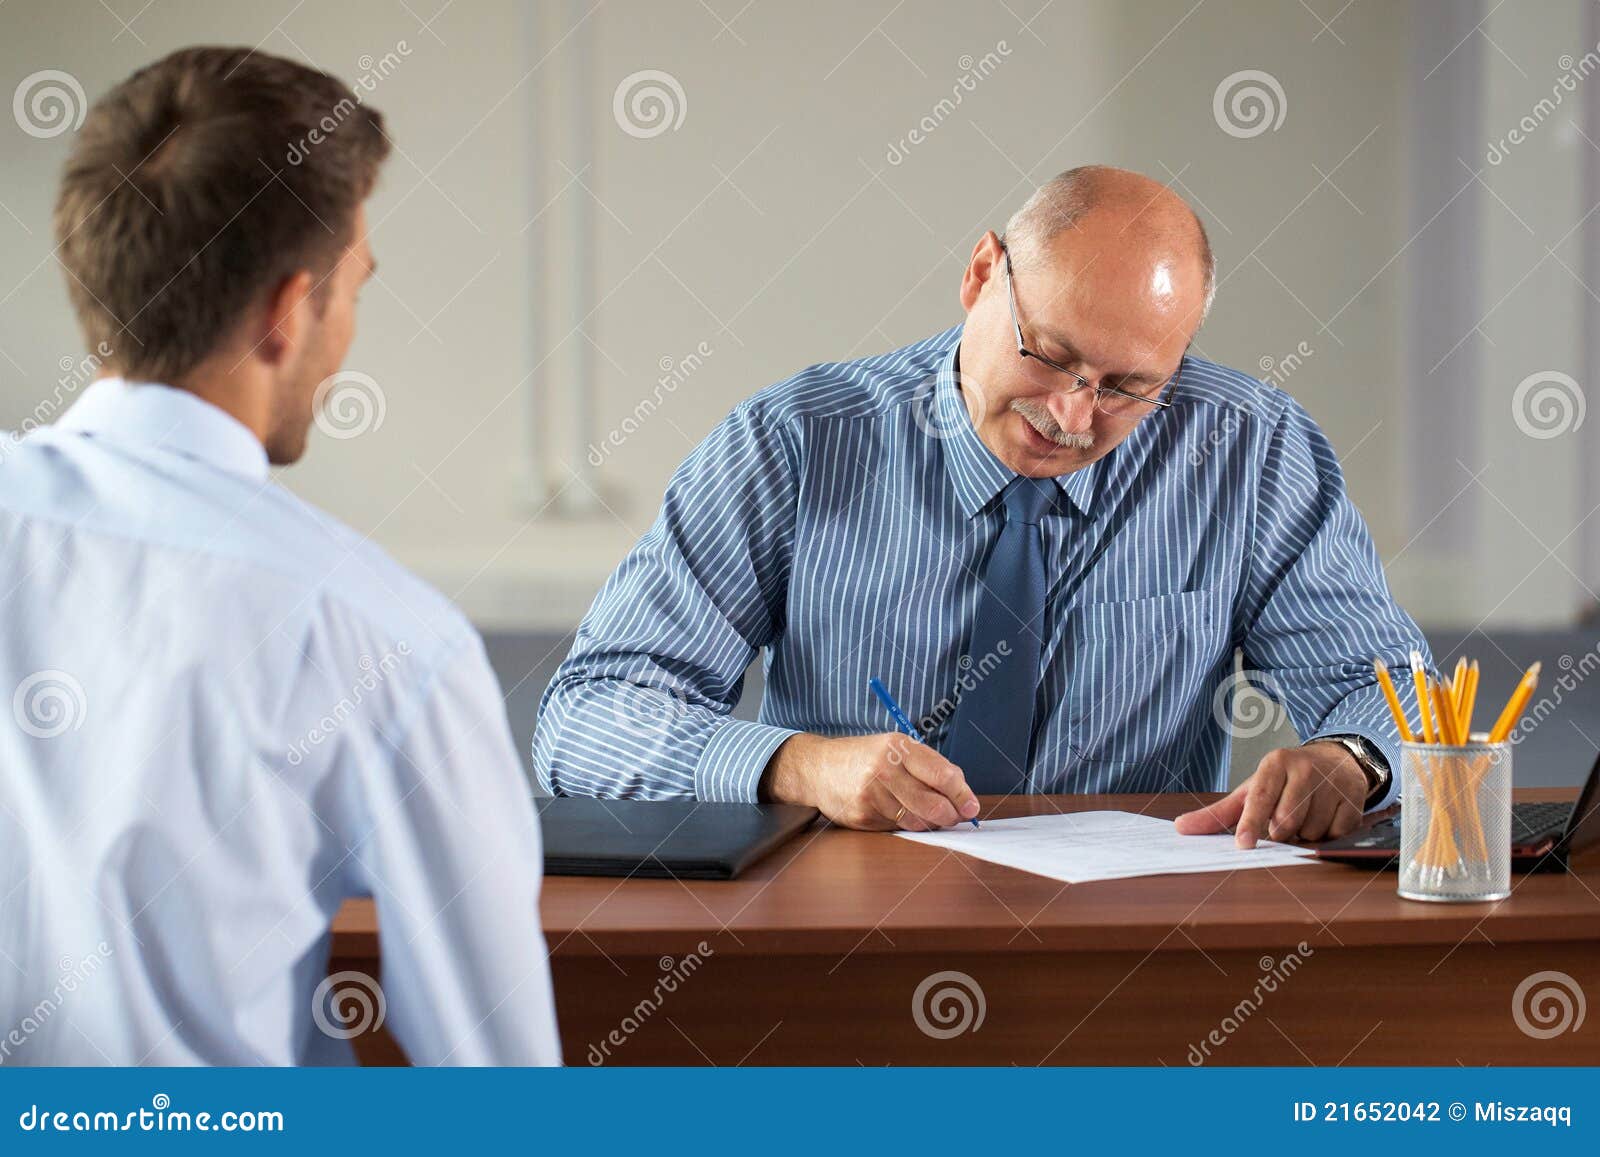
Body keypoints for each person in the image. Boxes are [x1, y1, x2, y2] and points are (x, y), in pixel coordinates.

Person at [534, 165, 1430, 849]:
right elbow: (586, 717)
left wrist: (1355, 758)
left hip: (1133, 935)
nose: (1073, 418)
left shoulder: (1250, 450)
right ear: (979, 274)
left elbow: (1398, 697)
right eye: (1048, 354)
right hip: (840, 918)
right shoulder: (793, 442)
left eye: (1129, 386)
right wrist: (797, 765)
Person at [0, 47, 558, 1065]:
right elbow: (498, 1090)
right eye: (351, 288)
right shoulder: (380, 632)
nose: (347, 330)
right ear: (283, 311)